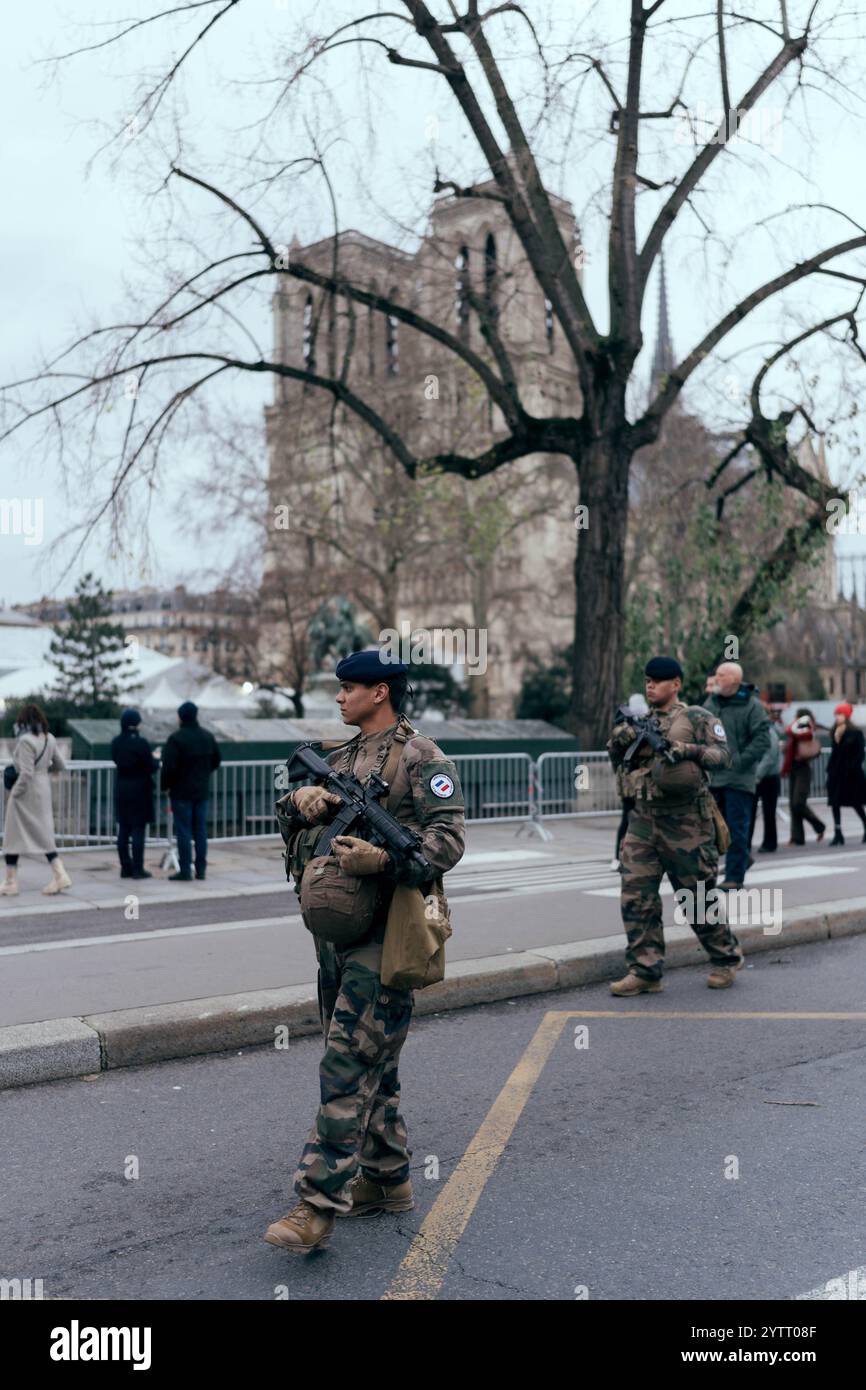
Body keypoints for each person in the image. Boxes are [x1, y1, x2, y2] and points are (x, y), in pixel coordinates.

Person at [264, 650, 465, 1254]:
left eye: (349, 688)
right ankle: (387, 1179)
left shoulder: (425, 758)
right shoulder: (338, 759)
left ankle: (316, 1204)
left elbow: (449, 841)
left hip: (390, 932)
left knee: (346, 1064)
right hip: (338, 934)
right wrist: (302, 804)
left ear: (381, 692)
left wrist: (382, 860)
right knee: (369, 1059)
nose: (339, 697)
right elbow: (288, 816)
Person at [606, 656, 743, 997]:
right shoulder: (640, 721)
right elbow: (619, 762)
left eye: (659, 680)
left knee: (695, 899)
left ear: (676, 684)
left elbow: (723, 756)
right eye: (648, 680)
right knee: (636, 896)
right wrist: (620, 741)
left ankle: (726, 958)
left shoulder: (696, 717)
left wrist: (684, 749)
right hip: (642, 820)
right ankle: (646, 969)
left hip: (686, 822)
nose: (650, 685)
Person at [703, 661, 770, 888]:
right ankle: (737, 861)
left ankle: (734, 877)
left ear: (733, 679)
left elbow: (763, 739)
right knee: (710, 827)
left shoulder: (752, 706)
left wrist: (739, 761)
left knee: (736, 827)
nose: (716, 679)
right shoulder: (711, 703)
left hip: (739, 779)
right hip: (714, 777)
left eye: (721, 675)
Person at [0, 702, 71, 897]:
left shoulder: (25, 741)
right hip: (43, 790)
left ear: (22, 721)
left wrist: (14, 793)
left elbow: (25, 773)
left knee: (12, 837)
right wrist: (44, 770)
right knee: (44, 835)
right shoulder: (50, 739)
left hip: (25, 793)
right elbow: (61, 765)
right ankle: (60, 874)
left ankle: (10, 882)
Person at [160, 701, 221, 881]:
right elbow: (216, 760)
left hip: (181, 792)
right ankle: (201, 869)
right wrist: (204, 773)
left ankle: (185, 870)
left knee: (184, 832)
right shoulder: (207, 737)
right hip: (201, 791)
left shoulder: (176, 739)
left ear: (180, 717)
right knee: (200, 831)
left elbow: (169, 767)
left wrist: (165, 786)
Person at [111, 708, 159, 879]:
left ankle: (125, 867)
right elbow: (151, 766)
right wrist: (156, 759)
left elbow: (116, 759)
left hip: (122, 788)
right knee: (138, 829)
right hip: (140, 789)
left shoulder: (116, 742)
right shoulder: (141, 743)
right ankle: (138, 868)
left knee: (123, 829)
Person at [781, 707, 826, 847]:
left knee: (798, 802)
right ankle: (797, 838)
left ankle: (819, 826)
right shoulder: (798, 730)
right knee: (793, 804)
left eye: (796, 716)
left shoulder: (803, 728)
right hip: (794, 767)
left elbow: (791, 732)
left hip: (803, 769)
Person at [826, 703, 866, 846]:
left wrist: (851, 768)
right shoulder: (835, 732)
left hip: (851, 775)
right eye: (836, 714)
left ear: (846, 716)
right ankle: (838, 833)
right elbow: (835, 754)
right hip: (836, 774)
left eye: (840, 714)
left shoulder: (855, 733)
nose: (837, 717)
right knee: (835, 804)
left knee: (856, 803)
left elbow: (860, 754)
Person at [749, 717, 782, 853]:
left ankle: (769, 842)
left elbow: (770, 756)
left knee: (767, 813)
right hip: (762, 777)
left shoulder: (769, 732)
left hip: (767, 778)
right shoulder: (762, 731)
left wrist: (756, 775)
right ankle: (751, 843)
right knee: (754, 812)